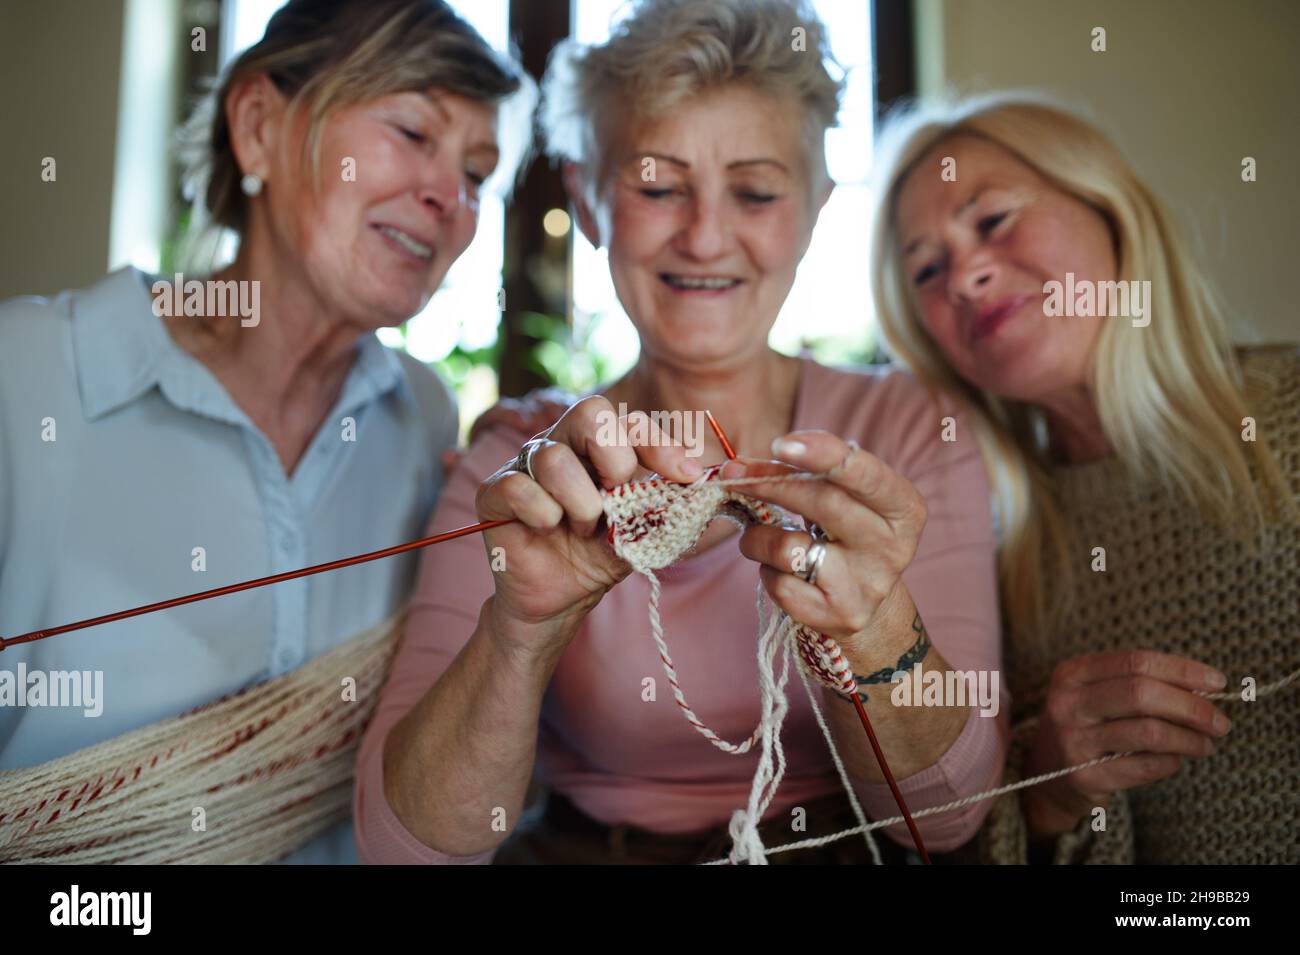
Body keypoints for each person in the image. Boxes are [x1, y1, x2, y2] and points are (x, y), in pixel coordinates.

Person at [356, 0, 1009, 865]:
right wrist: (521, 631)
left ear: (814, 209)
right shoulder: (517, 459)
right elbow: (408, 852)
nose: (704, 236)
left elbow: (950, 819)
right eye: (658, 187)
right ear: (590, 203)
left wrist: (877, 628)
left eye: (756, 191)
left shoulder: (909, 428)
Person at [0, 0, 531, 864]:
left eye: (478, 173)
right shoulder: (28, 377)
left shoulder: (423, 418)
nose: (450, 197)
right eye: (410, 131)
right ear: (257, 129)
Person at [868, 91, 1298, 863]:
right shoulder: (981, 556)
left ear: (1106, 205)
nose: (963, 277)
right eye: (927, 269)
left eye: (993, 219)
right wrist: (1052, 792)